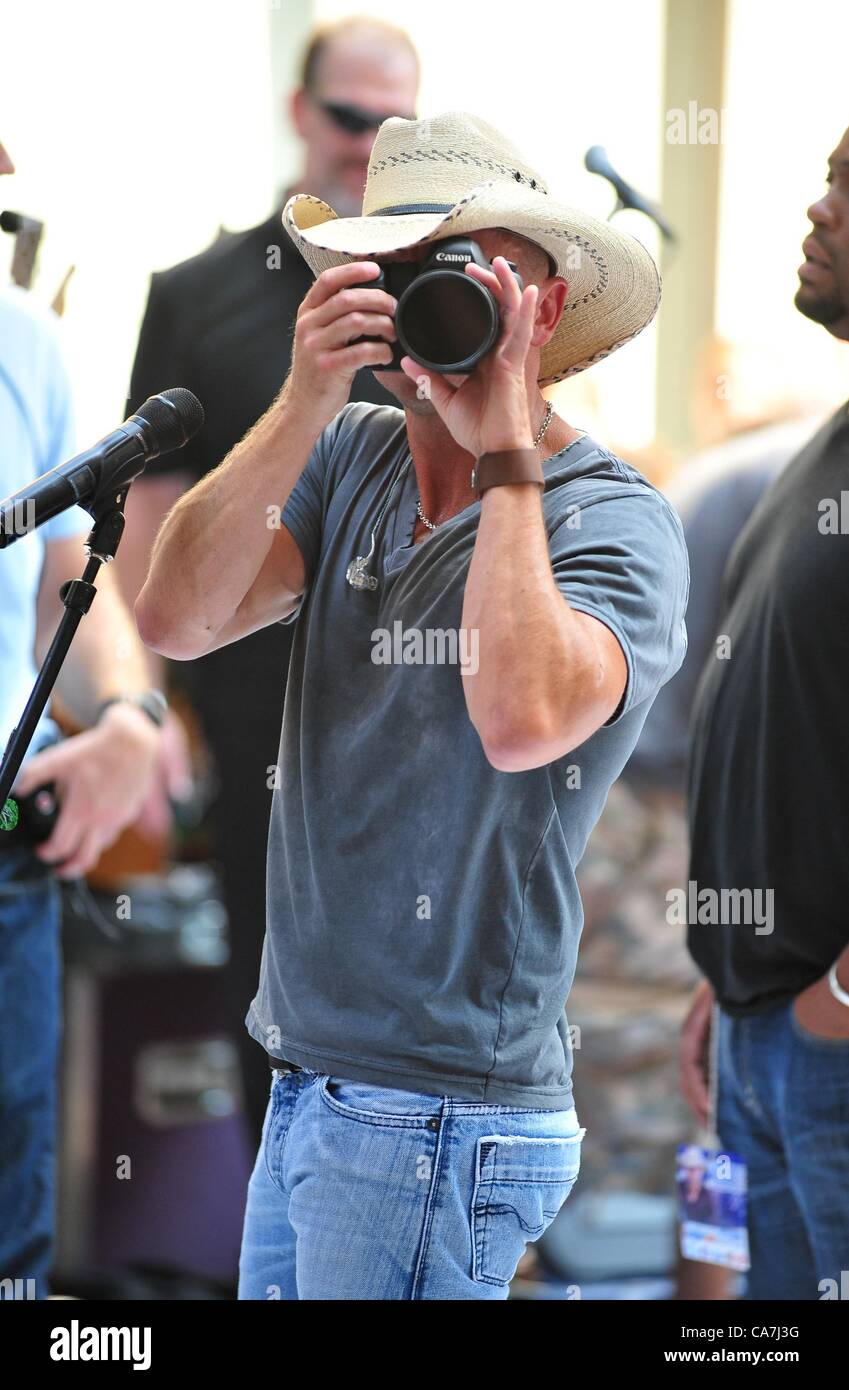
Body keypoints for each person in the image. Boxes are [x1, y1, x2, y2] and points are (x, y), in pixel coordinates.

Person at [136, 110, 689, 1301]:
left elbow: (521, 718)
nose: (440, 304)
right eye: (401, 264)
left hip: (441, 1107)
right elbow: (173, 618)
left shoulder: (614, 522)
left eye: (472, 274)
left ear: (544, 306)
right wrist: (299, 402)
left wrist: (505, 458)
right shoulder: (346, 459)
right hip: (306, 1076)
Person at [118, 17, 420, 1143]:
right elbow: (148, 517)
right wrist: (154, 706)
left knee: (414, 998)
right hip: (253, 710)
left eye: (394, 127)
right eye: (349, 118)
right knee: (267, 996)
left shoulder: (437, 293)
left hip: (420, 702)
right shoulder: (198, 292)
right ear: (300, 113)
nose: (366, 145)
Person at [680, 125, 849, 1300]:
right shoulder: (819, 454)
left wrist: (837, 997)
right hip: (763, 1021)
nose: (819, 208)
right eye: (830, 175)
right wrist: (728, 969)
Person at [0, 139, 170, 1298]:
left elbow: (74, 583)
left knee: (13, 1214)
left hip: (10, 837)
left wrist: (124, 712)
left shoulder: (30, 340)